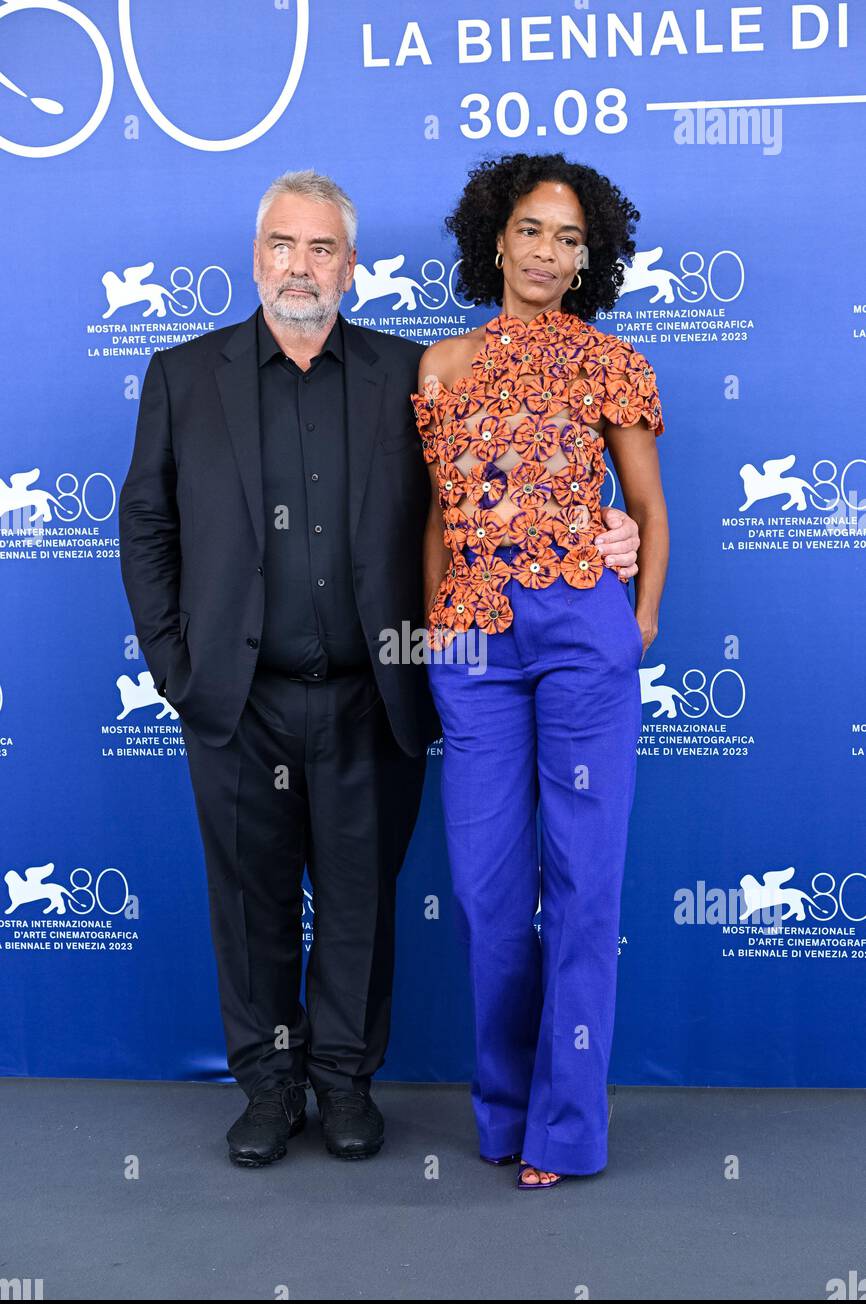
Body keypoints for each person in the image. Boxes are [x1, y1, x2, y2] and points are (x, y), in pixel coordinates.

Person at [119, 167, 643, 1169]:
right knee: (252, 904)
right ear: (257, 255)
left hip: (373, 692)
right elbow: (144, 520)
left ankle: (345, 1084)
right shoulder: (183, 376)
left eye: (322, 248)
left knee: (359, 899)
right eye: (283, 244)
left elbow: (496, 494)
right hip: (234, 698)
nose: (300, 265)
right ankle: (269, 1090)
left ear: (352, 267)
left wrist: (609, 528)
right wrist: (175, 665)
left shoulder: (417, 373)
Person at [411, 153, 669, 1190]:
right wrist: (434, 626)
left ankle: (563, 1129)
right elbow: (438, 513)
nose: (548, 252)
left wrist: (637, 624)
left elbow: (647, 512)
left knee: (581, 886)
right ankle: (503, 1107)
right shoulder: (441, 367)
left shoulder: (610, 361)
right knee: (482, 892)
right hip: (471, 647)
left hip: (582, 638)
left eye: (569, 238)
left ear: (587, 256)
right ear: (495, 236)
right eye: (530, 229)